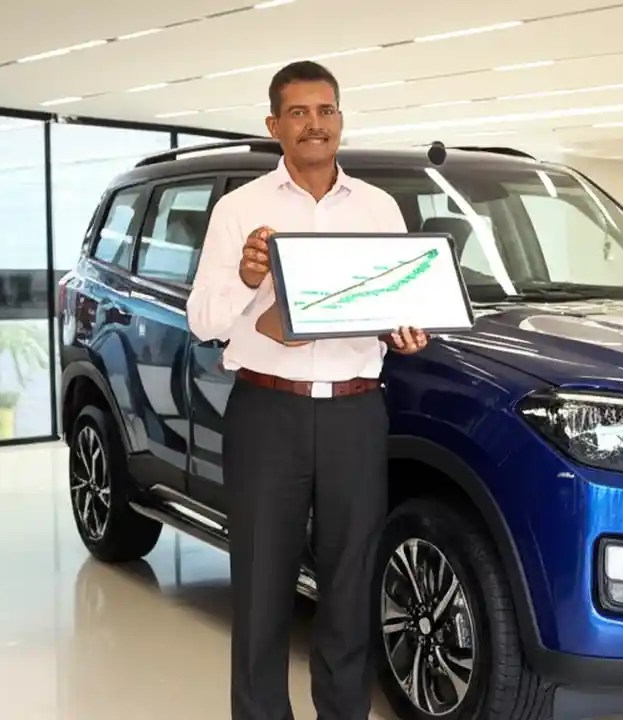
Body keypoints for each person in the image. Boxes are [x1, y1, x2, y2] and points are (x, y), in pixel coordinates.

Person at [186, 60, 428, 720]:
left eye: (325, 111)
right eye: (298, 113)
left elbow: (398, 300)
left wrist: (406, 328)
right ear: (275, 126)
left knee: (350, 590)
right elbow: (202, 319)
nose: (313, 124)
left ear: (340, 120)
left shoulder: (379, 208)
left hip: (356, 411)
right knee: (261, 589)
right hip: (268, 412)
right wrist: (245, 278)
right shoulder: (240, 209)